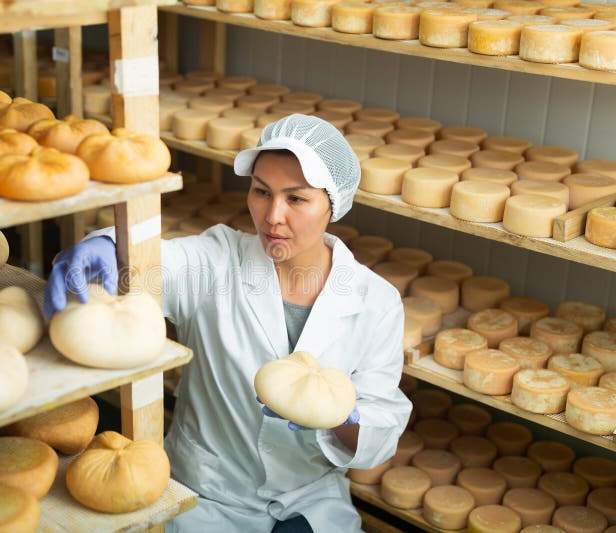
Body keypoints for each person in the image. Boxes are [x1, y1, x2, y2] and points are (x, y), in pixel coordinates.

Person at [44, 114, 412, 532]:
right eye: (261, 192)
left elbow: (381, 427)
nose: (272, 216)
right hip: (209, 495)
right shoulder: (217, 260)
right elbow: (155, 262)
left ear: (334, 203)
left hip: (309, 499)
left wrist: (344, 419)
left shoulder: (376, 302)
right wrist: (107, 247)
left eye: (296, 199)